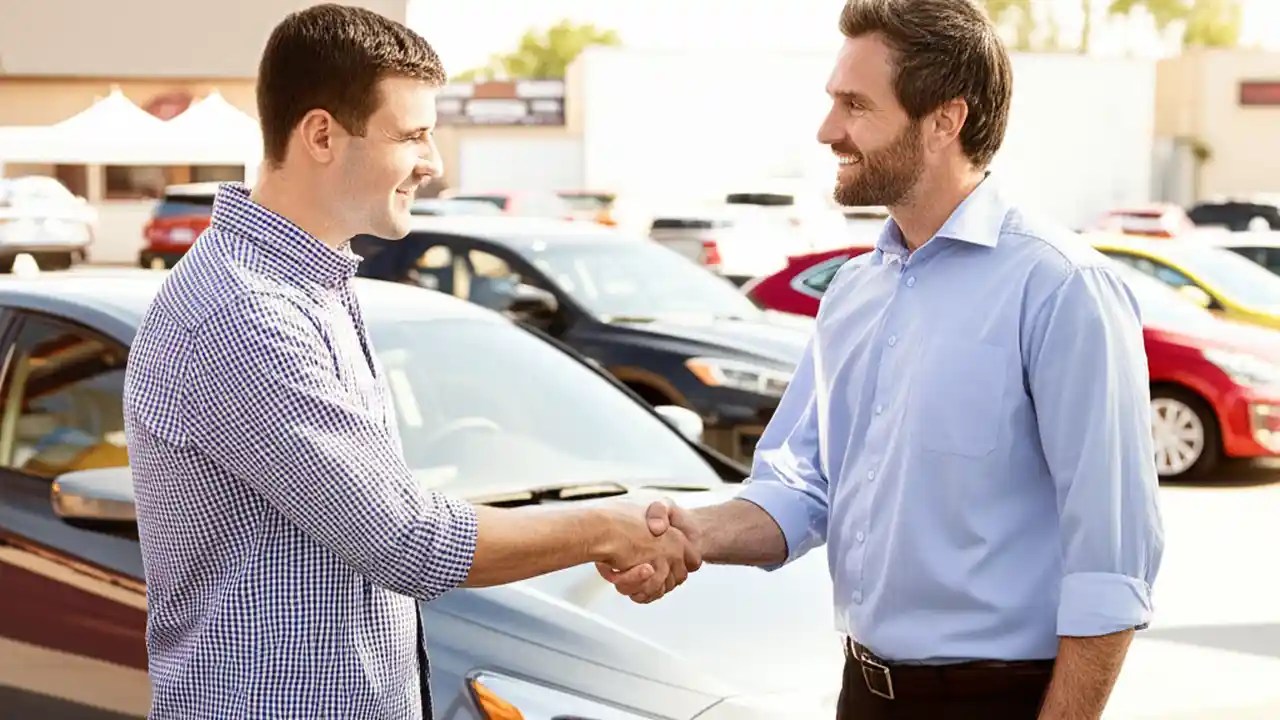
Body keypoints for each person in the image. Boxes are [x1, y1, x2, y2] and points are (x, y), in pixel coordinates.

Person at [121, 5, 698, 719]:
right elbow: (407, 540)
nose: (435, 163)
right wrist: (605, 526)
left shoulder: (314, 286)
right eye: (415, 134)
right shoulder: (246, 314)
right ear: (322, 134)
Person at [602, 1, 1165, 718]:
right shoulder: (854, 293)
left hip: (1000, 701)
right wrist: (685, 534)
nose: (827, 129)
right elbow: (803, 488)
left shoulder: (1060, 288)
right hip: (862, 693)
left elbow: (1111, 565)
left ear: (944, 120)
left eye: (855, 105)